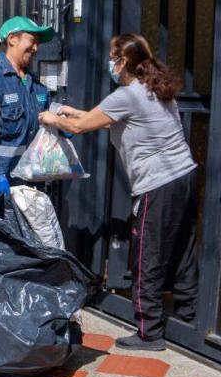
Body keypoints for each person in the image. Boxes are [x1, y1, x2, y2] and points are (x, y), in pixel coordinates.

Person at [38, 33, 198, 351]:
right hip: (185, 176)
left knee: (146, 253)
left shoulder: (126, 95)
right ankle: (188, 313)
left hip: (158, 183)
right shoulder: (155, 89)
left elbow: (83, 127)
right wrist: (72, 111)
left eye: (112, 56)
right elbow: (100, 118)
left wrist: (51, 117)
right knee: (181, 248)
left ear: (122, 61)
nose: (109, 62)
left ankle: (149, 331)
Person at [0, 16, 55, 258]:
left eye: (38, 43)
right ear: (12, 39)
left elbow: (43, 131)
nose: (36, 48)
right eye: (32, 40)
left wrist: (60, 127)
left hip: (24, 188)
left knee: (20, 253)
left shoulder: (37, 87)